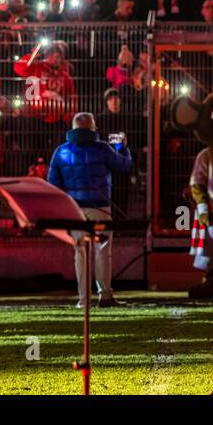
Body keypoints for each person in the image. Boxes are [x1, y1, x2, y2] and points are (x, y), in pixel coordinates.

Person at [47, 111, 132, 309]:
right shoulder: (103, 148)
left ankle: (83, 299)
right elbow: (123, 166)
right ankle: (105, 296)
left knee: (80, 252)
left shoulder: (61, 151)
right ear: (93, 128)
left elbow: (52, 184)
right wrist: (123, 147)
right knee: (103, 250)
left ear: (73, 128)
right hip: (100, 207)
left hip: (74, 210)